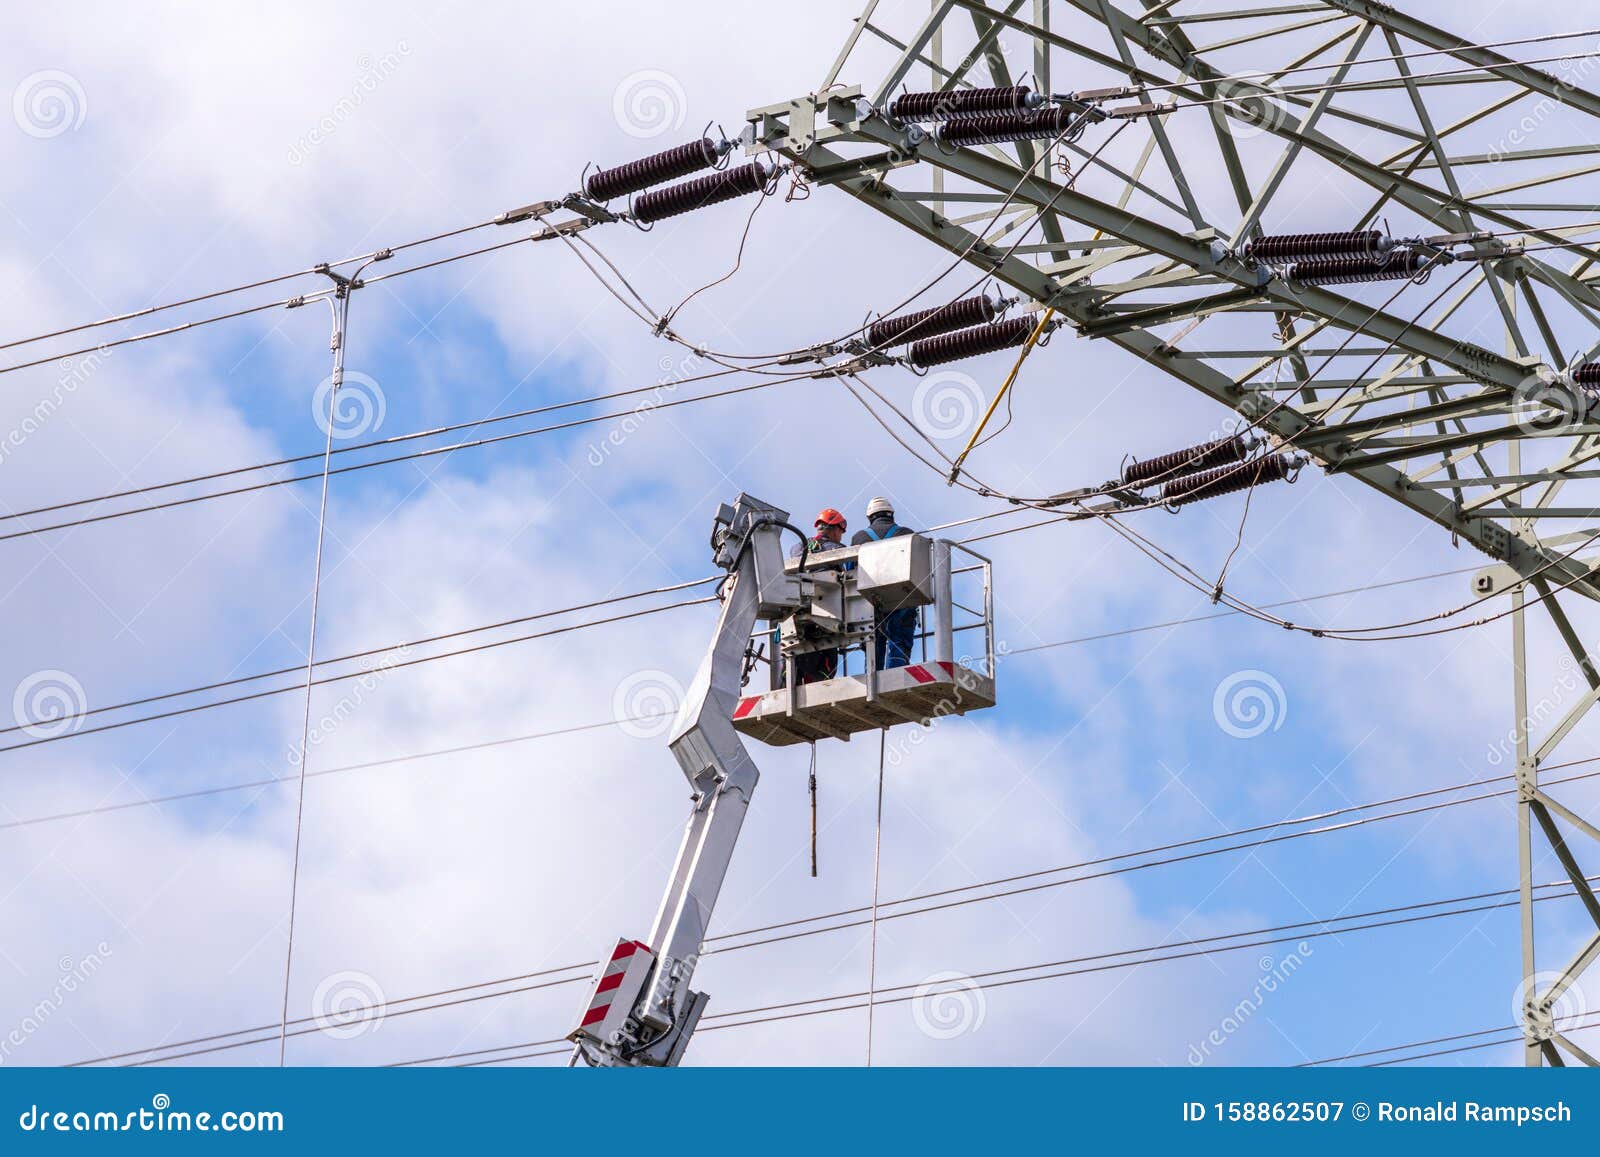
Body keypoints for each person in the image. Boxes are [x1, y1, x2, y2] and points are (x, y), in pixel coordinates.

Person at [783, 508, 849, 684]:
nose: (840, 537)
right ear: (835, 529)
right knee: (825, 666)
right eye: (840, 533)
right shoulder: (839, 549)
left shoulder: (797, 548)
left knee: (795, 654)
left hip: (796, 609)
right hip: (827, 610)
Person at [850, 497, 917, 670]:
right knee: (899, 638)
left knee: (873, 641)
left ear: (870, 517)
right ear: (892, 515)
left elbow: (849, 567)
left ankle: (872, 674)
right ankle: (896, 671)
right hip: (902, 595)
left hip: (869, 599)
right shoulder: (906, 533)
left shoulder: (859, 537)